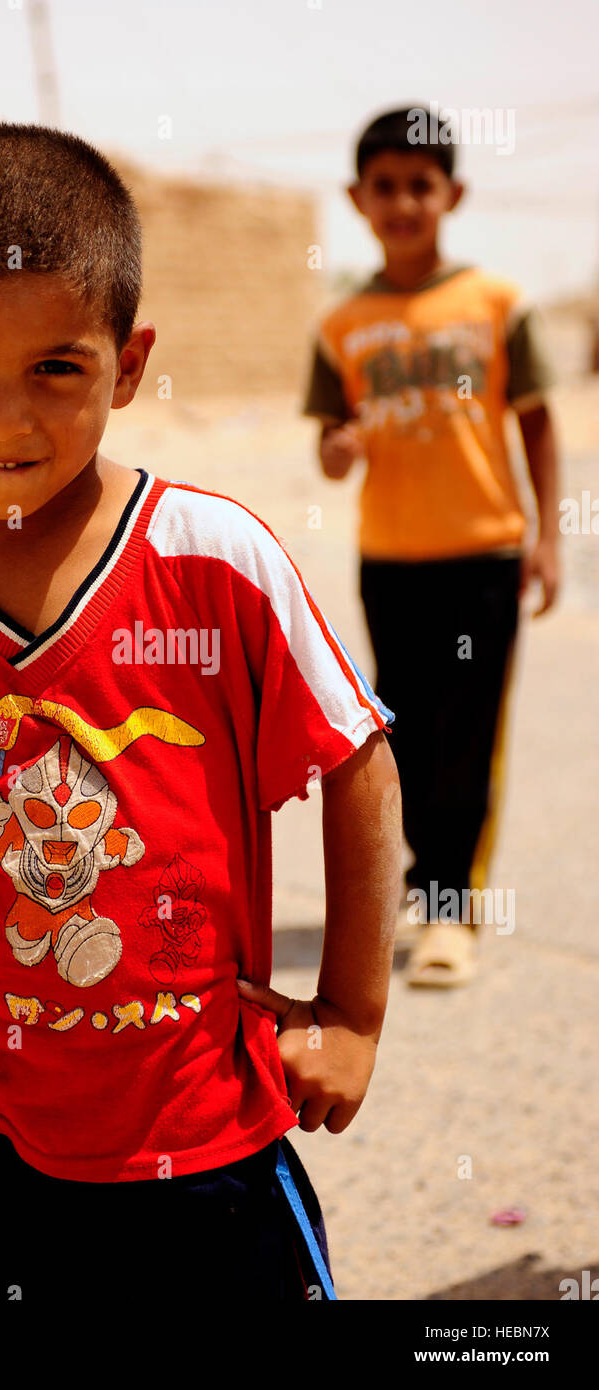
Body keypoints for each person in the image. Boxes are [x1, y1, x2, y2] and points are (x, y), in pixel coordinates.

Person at [0, 122, 402, 1306]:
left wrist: (350, 1012)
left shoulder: (213, 561)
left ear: (127, 366)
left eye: (56, 370)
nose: (6, 420)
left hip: (201, 1143)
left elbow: (358, 759)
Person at [303, 107, 560, 988]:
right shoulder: (340, 325)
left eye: (420, 184)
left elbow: (536, 422)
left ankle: (451, 909)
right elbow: (330, 450)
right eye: (385, 186)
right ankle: (423, 882)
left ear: (452, 192)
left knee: (470, 733)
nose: (403, 202)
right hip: (391, 561)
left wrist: (547, 538)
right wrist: (338, 451)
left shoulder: (493, 304)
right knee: (402, 733)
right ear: (356, 197)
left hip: (483, 556)